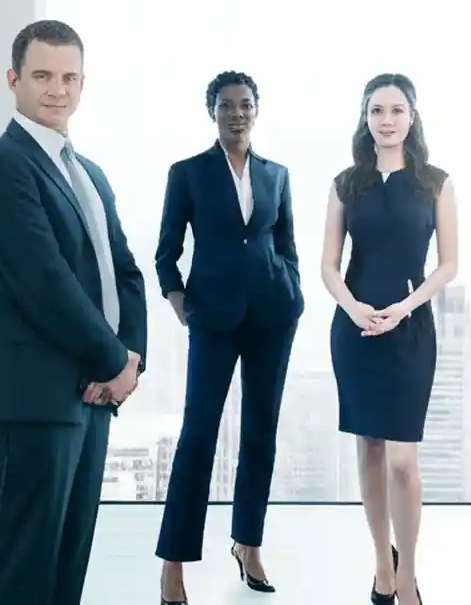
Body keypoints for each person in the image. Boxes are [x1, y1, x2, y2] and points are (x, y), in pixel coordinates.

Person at [0, 19, 148, 605]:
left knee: (68, 569)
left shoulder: (88, 172)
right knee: (26, 572)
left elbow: (124, 270)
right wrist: (112, 360)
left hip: (94, 394)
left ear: (82, 84)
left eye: (69, 78)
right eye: (42, 75)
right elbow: (45, 283)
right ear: (13, 79)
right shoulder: (2, 167)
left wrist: (130, 360)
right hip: (36, 396)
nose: (57, 89)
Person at [154, 70, 304, 604]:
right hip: (213, 319)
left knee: (261, 433)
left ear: (256, 110)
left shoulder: (276, 175)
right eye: (226, 105)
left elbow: (286, 243)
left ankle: (248, 544)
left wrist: (291, 288)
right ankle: (173, 563)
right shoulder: (188, 173)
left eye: (245, 104)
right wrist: (181, 305)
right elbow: (166, 252)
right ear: (212, 112)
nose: (236, 113)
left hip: (272, 317)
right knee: (198, 436)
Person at [321, 73, 458, 605]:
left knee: (403, 460)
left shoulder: (436, 183)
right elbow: (329, 266)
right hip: (355, 330)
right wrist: (353, 307)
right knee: (370, 450)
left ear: (412, 117)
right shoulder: (345, 184)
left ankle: (407, 576)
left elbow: (448, 265)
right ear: (365, 118)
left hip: (410, 328)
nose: (386, 120)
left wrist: (404, 308)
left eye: (396, 110)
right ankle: (383, 566)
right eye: (377, 110)